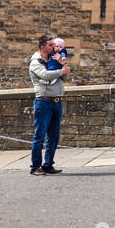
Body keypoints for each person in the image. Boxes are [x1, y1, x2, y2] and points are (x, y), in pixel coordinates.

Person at [29, 34, 69, 175]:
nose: (54, 47)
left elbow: (65, 76)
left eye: (54, 44)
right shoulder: (35, 62)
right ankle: (35, 167)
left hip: (56, 102)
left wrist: (63, 64)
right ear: (43, 47)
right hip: (44, 102)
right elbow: (45, 75)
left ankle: (48, 165)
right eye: (51, 45)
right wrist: (61, 71)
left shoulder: (55, 58)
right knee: (40, 135)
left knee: (54, 136)